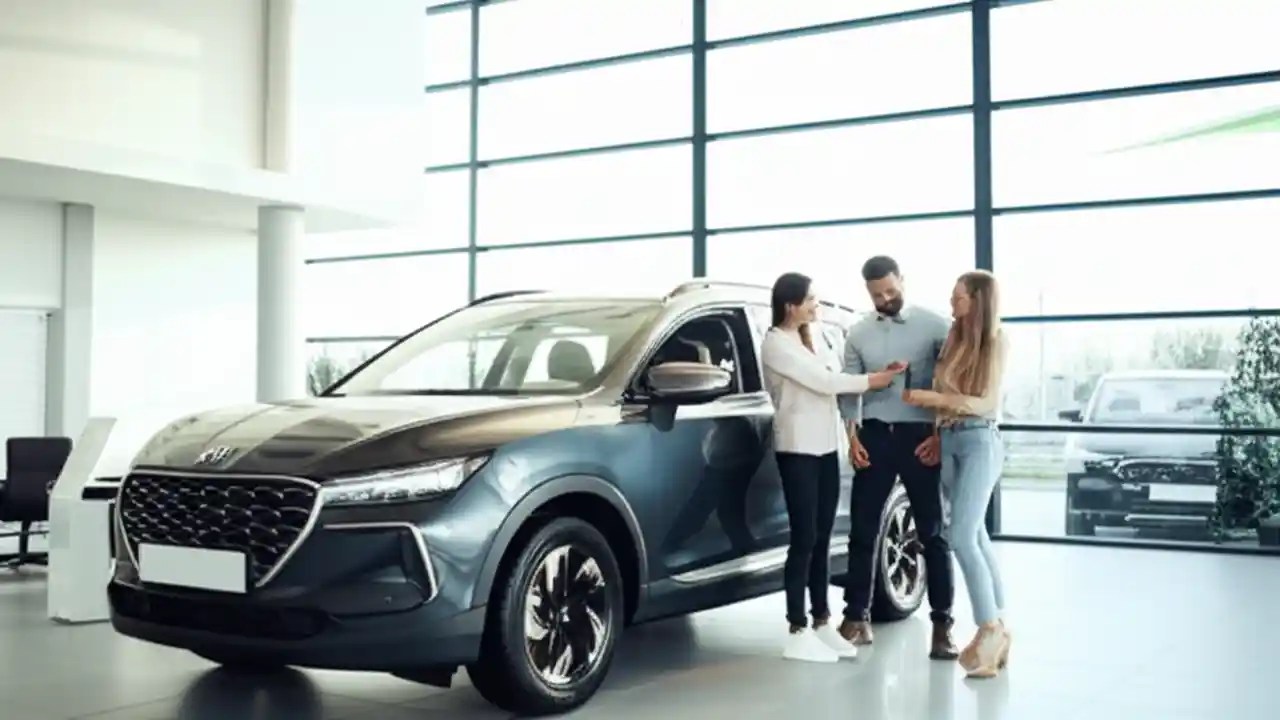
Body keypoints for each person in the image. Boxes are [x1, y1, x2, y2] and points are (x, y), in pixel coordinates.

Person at [759, 272, 904, 663]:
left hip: (825, 447)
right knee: (804, 538)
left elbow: (837, 376)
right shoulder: (775, 343)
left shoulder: (816, 335)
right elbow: (825, 382)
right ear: (790, 305)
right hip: (797, 449)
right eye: (810, 299)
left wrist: (874, 377)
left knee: (822, 537)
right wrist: (875, 381)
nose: (816, 305)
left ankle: (822, 621)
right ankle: (797, 629)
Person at [836, 255, 959, 660]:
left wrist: (939, 434)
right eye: (877, 295)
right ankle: (856, 618)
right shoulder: (858, 333)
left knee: (932, 534)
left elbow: (951, 383)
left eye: (890, 291)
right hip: (873, 437)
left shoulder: (935, 325)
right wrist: (852, 437)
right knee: (863, 530)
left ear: (902, 280)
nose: (885, 299)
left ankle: (942, 626)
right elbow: (850, 389)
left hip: (920, 437)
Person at [903, 269, 1011, 678]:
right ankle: (1000, 625)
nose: (952, 304)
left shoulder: (996, 341)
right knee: (976, 533)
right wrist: (936, 432)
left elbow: (985, 403)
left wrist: (934, 399)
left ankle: (989, 628)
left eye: (959, 298)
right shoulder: (953, 338)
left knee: (961, 535)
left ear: (978, 301)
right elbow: (947, 401)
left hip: (980, 440)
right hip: (948, 440)